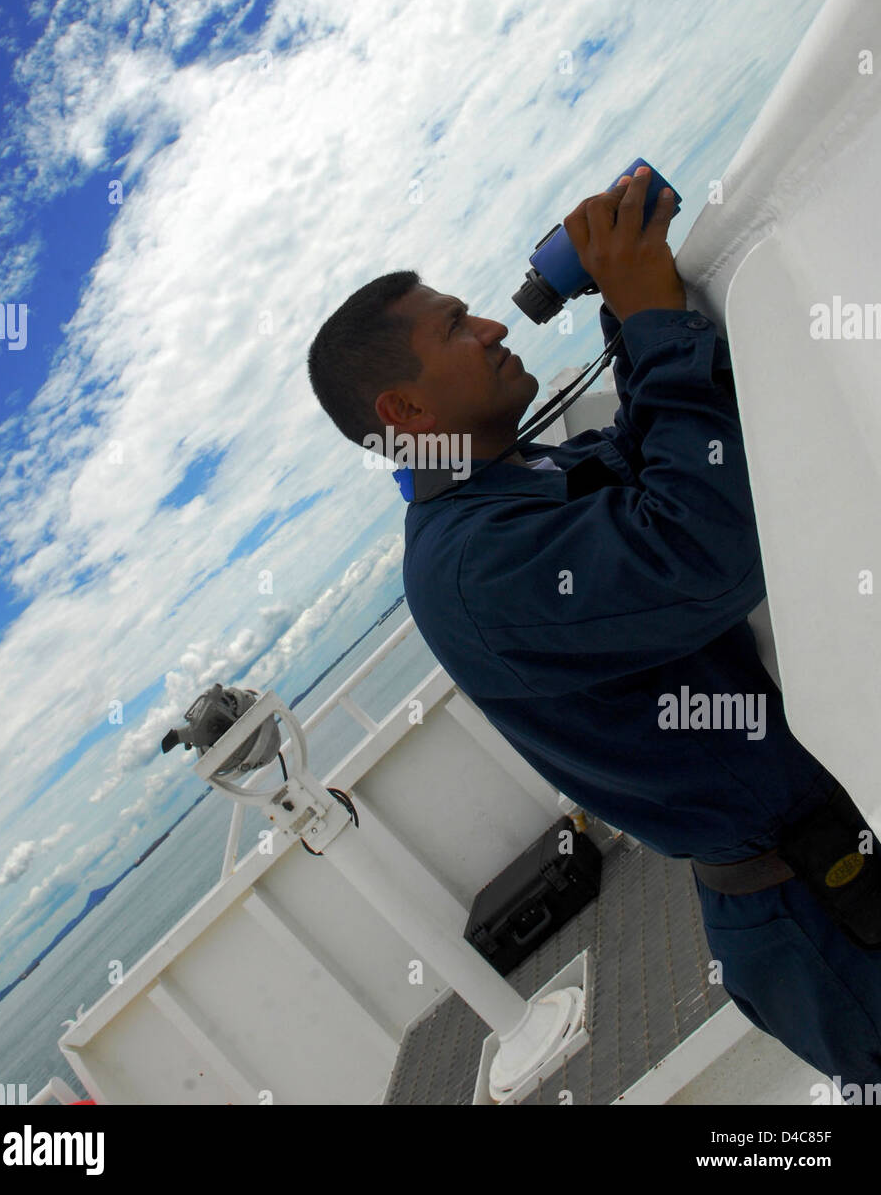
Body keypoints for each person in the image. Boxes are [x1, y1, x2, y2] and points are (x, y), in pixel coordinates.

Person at [307, 165, 881, 1095]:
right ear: (405, 413)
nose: (491, 325)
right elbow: (705, 548)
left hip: (832, 841)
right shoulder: (469, 564)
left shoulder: (515, 479)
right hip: (820, 911)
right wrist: (655, 318)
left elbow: (641, 458)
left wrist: (626, 305)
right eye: (456, 326)